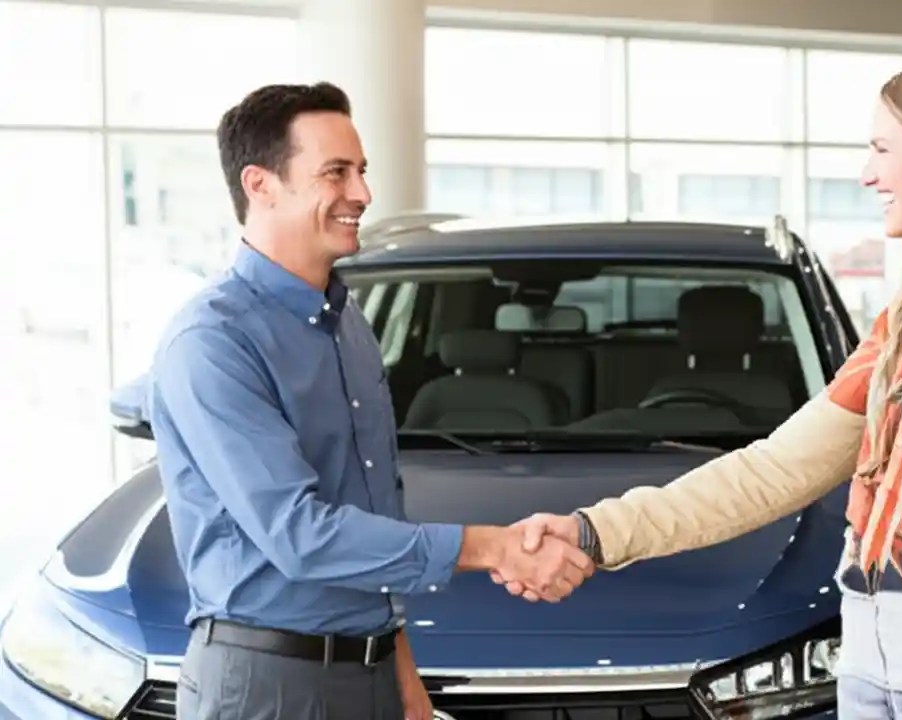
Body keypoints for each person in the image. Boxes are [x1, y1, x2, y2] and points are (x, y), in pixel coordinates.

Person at [501, 58, 902, 720]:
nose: (868, 175)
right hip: (878, 659)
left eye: (881, 149)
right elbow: (774, 469)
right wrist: (592, 532)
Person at [147, 82, 593, 720]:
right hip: (269, 690)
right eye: (336, 172)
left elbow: (367, 515)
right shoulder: (213, 342)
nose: (363, 193)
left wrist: (399, 669)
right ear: (259, 184)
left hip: (371, 672)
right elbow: (301, 535)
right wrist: (492, 547)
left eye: (361, 171)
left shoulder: (346, 321)